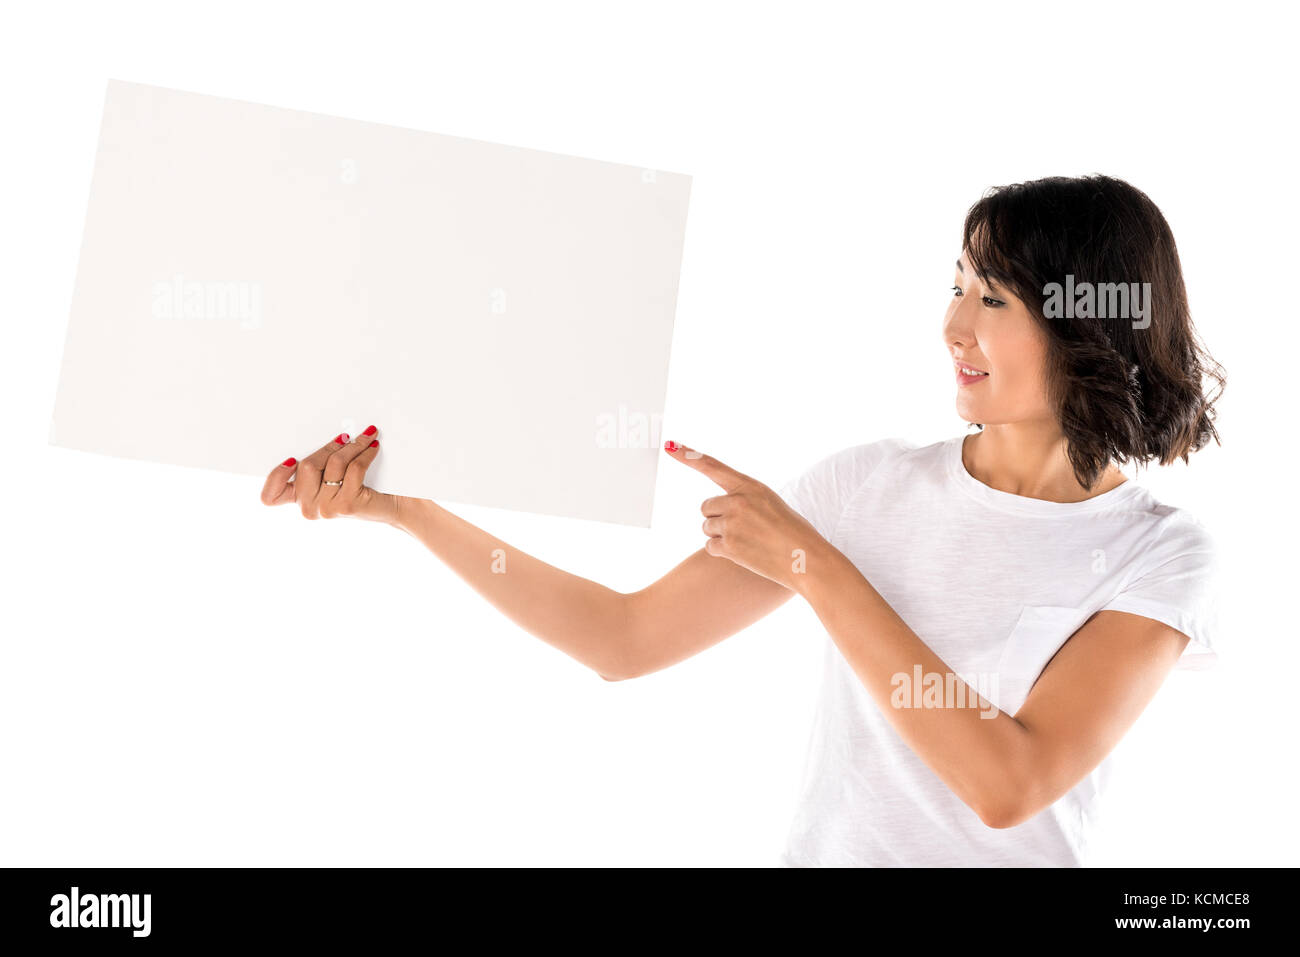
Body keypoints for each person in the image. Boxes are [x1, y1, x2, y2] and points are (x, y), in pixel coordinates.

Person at [260, 174, 1224, 866]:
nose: (953, 326)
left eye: (994, 297)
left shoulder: (1160, 555)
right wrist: (410, 510)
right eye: (956, 284)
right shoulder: (866, 488)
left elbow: (1008, 783)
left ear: (1090, 327)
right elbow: (624, 638)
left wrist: (813, 564)